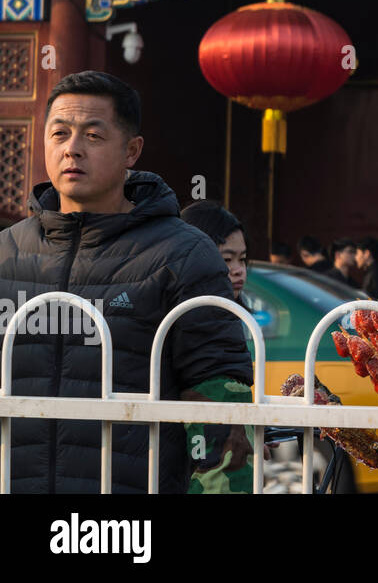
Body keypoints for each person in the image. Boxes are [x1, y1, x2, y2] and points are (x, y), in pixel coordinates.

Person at [0, 71, 253, 492]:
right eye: (59, 133)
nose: (71, 149)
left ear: (131, 151)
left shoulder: (181, 255)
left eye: (93, 136)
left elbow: (218, 399)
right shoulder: (6, 255)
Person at [180, 200, 250, 308]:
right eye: (227, 259)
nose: (239, 271)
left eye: (242, 259)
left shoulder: (241, 319)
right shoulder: (168, 318)